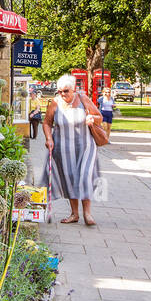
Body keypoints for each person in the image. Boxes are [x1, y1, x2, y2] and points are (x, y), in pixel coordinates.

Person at [43, 74, 103, 226]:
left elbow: (99, 116)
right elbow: (47, 123)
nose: (63, 94)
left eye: (66, 91)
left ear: (73, 89)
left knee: (84, 177)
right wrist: (49, 138)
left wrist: (92, 119)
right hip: (63, 148)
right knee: (69, 179)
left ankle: (87, 214)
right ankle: (74, 214)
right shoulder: (55, 103)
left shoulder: (83, 99)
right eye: (60, 91)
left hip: (85, 146)